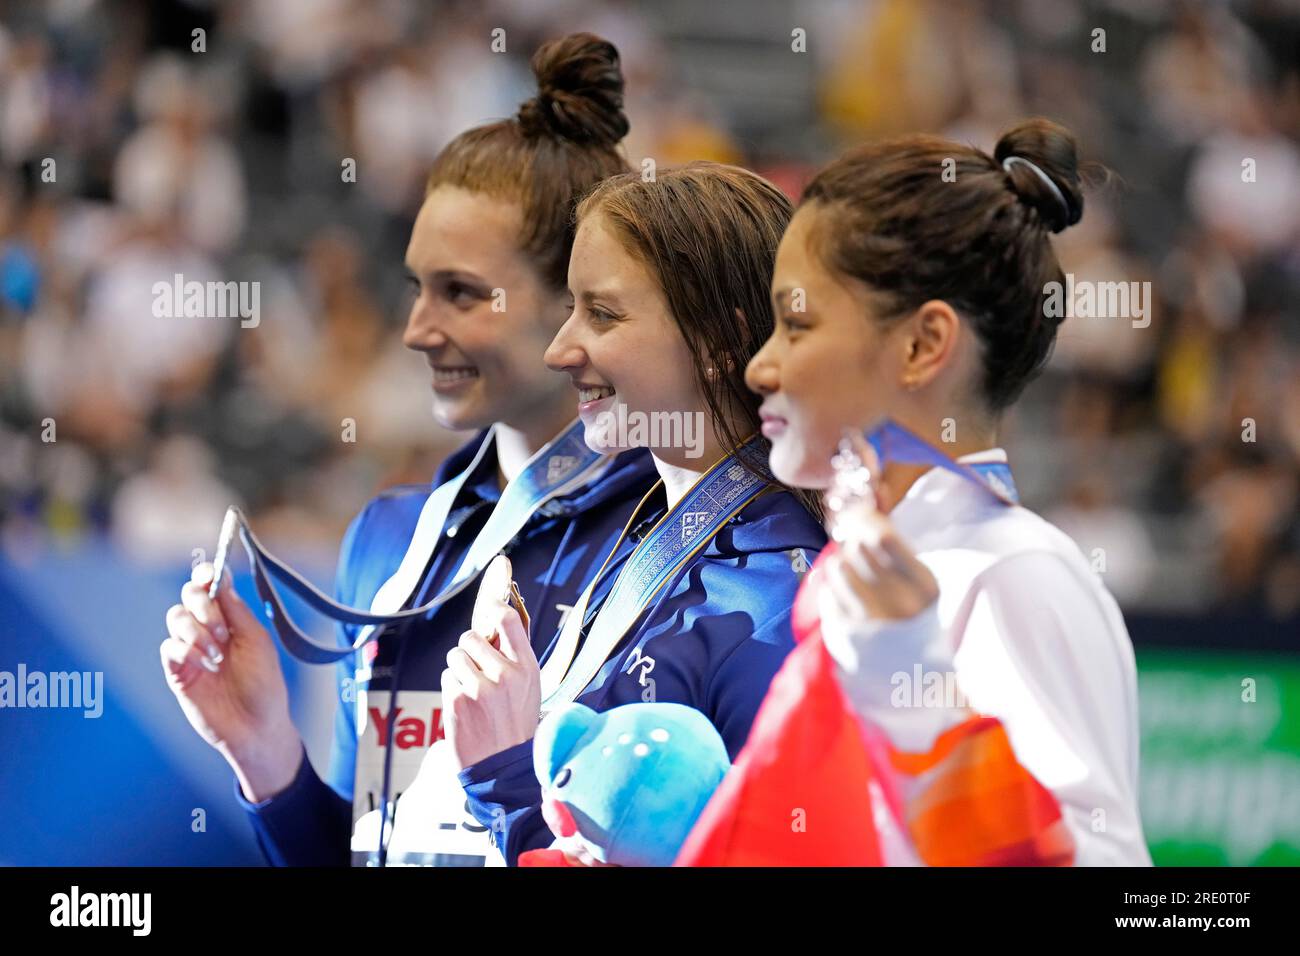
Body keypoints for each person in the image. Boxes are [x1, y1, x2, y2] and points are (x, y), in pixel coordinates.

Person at [159, 33, 662, 867]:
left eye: (459, 293)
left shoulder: (673, 549)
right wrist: (266, 754)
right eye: (416, 289)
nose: (417, 330)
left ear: (575, 304)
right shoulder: (392, 544)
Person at [682, 118, 1150, 866]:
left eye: (796, 324)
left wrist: (917, 689)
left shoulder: (1013, 573)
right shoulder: (873, 578)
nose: (759, 368)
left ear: (923, 345)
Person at [441, 163, 828, 865]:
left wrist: (503, 779)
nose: (559, 350)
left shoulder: (777, 611)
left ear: (718, 342)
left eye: (603, 314)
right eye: (570, 308)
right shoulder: (646, 539)